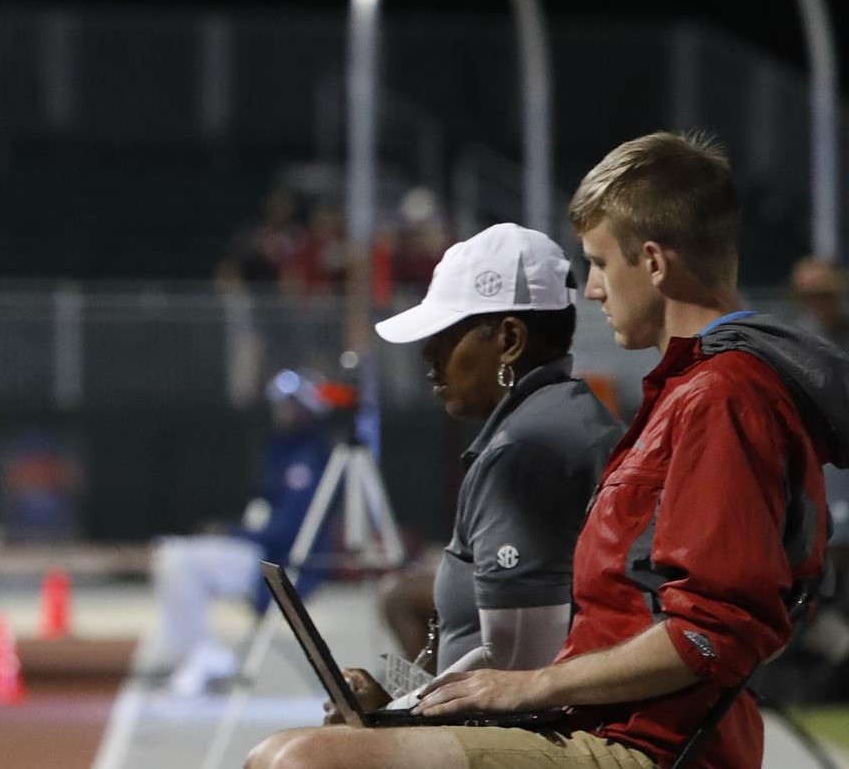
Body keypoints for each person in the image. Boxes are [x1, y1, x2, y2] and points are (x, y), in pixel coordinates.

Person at [247, 131, 840, 769]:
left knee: (299, 761)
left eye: (599, 263)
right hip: (606, 724)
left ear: (654, 263)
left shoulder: (720, 396)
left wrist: (528, 686)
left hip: (647, 746)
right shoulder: (690, 391)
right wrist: (408, 701)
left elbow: (711, 631)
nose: (590, 289)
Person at [329, 223, 622, 720]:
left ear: (509, 339)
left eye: (445, 336)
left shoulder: (526, 451)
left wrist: (393, 717)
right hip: (525, 719)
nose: (427, 356)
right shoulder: (559, 416)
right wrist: (395, 695)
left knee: (291, 755)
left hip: (538, 733)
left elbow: (517, 682)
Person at [152, 367, 337, 696]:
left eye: (292, 403)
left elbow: (288, 530)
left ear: (310, 407)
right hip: (260, 552)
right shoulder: (280, 449)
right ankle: (191, 654)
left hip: (278, 565)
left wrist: (234, 534)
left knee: (179, 560)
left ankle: (199, 655)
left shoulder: (311, 458)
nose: (282, 410)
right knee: (171, 552)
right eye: (280, 402)